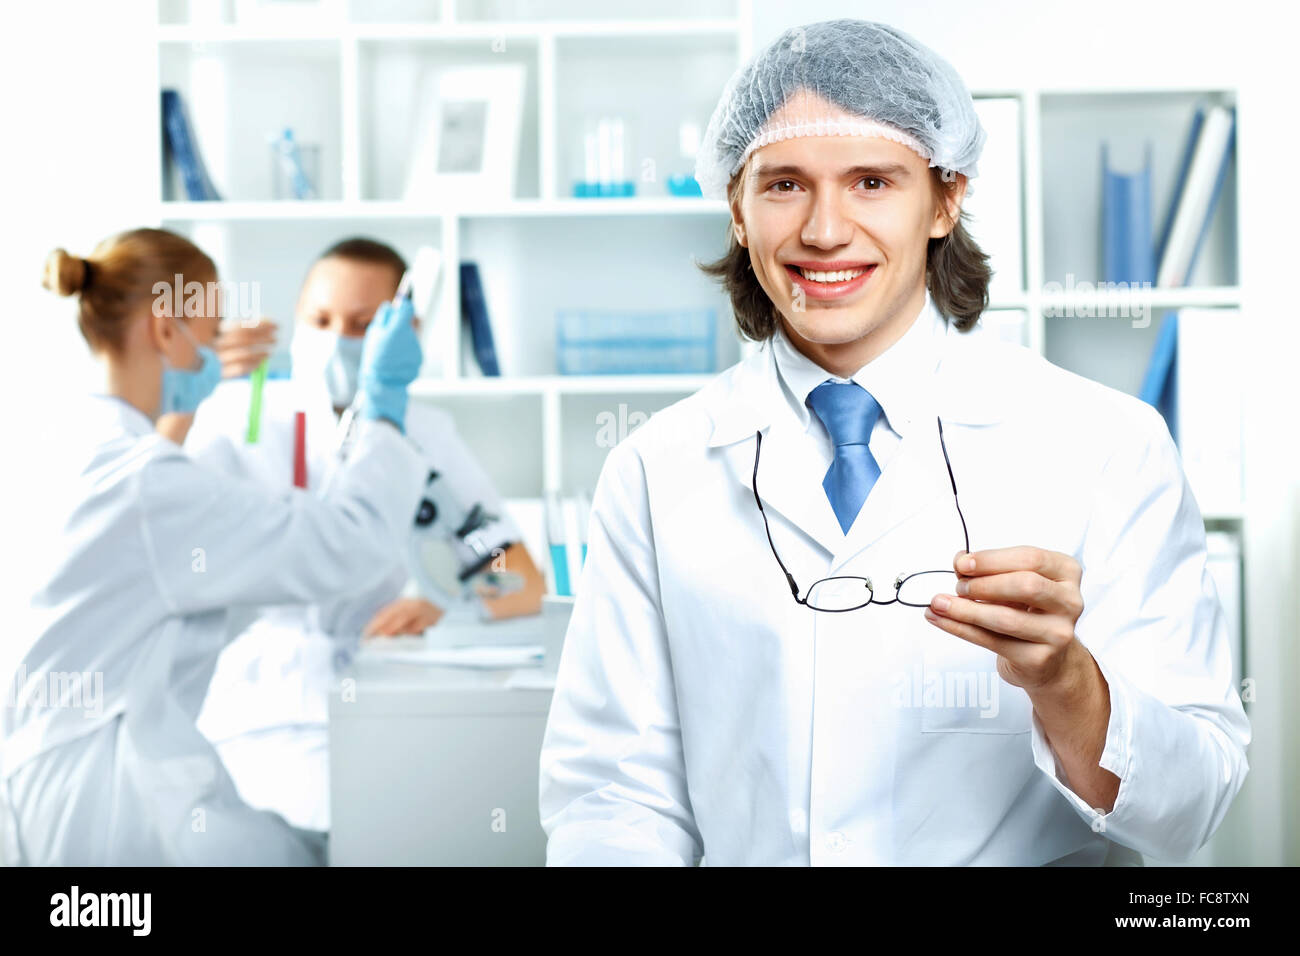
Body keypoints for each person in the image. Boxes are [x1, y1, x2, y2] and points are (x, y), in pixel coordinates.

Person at [538, 20, 1250, 866]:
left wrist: (1067, 684)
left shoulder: (1107, 444)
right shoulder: (656, 468)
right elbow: (617, 796)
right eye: (784, 185)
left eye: (872, 181)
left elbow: (1194, 804)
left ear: (945, 199)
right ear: (737, 205)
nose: (825, 230)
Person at [1, 228, 425, 865]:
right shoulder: (147, 484)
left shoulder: (66, 447)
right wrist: (385, 412)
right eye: (212, 330)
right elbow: (347, 545)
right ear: (166, 330)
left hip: (54, 781)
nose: (219, 352)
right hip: (106, 804)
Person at [179, 237, 545, 833]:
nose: (334, 339)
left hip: (371, 703)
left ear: (407, 332)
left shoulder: (424, 432)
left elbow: (520, 580)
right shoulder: (233, 416)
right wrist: (190, 387)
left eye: (361, 324)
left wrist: (442, 606)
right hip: (246, 709)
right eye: (319, 321)